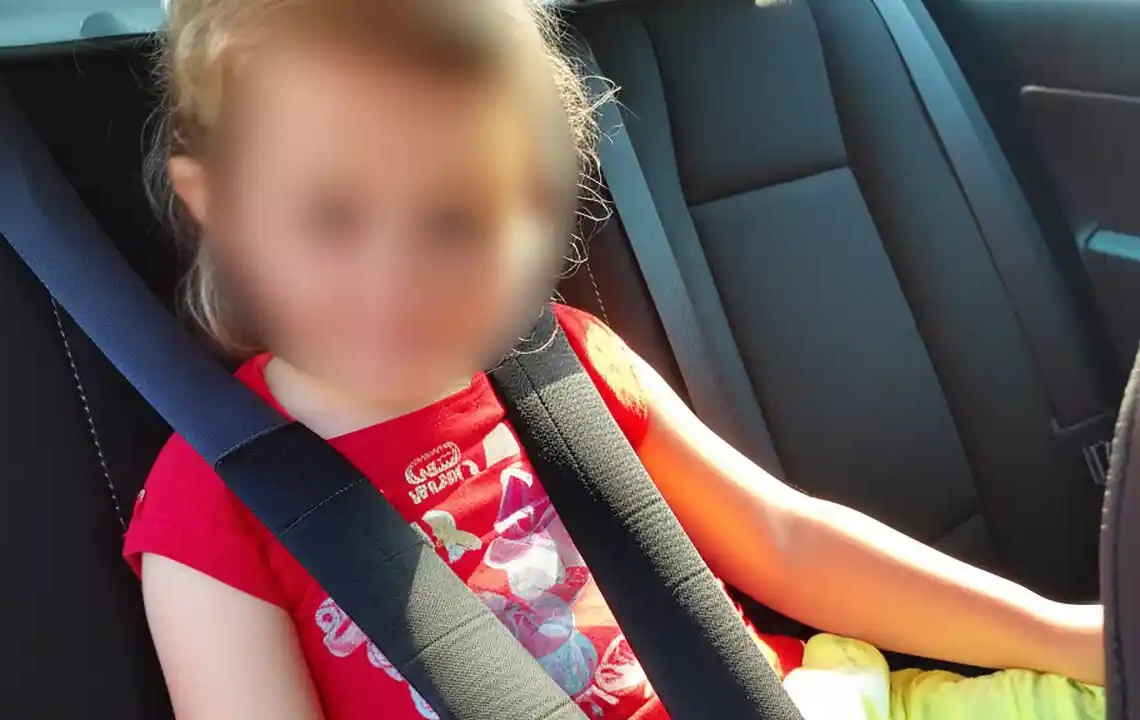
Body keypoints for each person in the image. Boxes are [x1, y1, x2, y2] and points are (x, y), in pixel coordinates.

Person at [123, 0, 1105, 717]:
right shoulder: (216, 502)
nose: (400, 276)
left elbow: (784, 543)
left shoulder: (562, 370)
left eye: (457, 216)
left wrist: (1065, 636)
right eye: (331, 215)